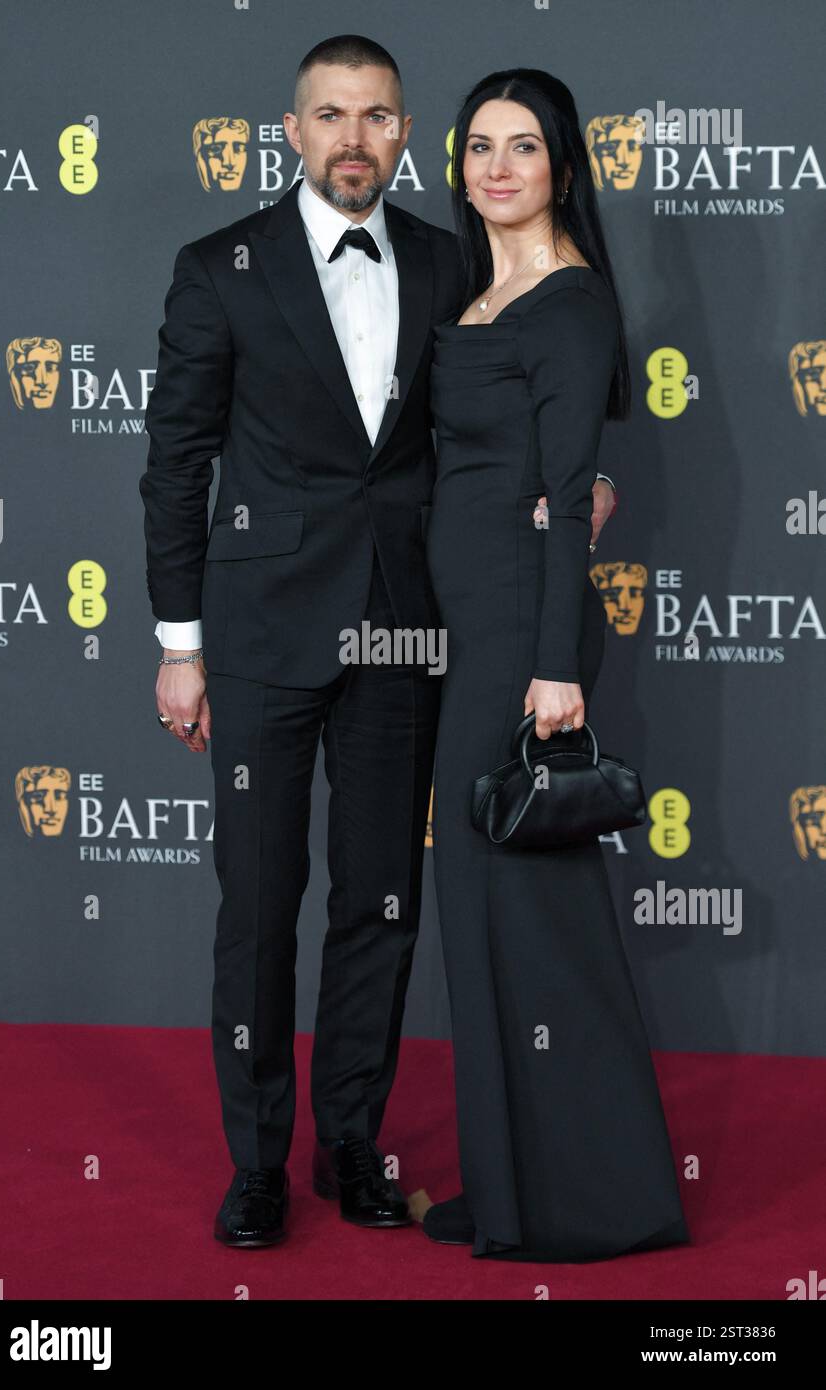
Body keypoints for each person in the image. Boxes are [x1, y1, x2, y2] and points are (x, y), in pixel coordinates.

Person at [140, 37, 617, 1249]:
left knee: (381, 901)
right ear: (292, 132)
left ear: (406, 136)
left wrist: (571, 497)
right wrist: (178, 642)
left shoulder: (454, 258)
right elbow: (176, 464)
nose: (354, 138)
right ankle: (256, 1162)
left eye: (378, 118)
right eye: (329, 116)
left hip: (407, 629)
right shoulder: (219, 268)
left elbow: (505, 419)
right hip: (254, 634)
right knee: (257, 904)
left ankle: (350, 1139)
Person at [422, 68, 690, 1260]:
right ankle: (514, 1186)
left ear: (561, 166)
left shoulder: (569, 304)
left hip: (521, 643)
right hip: (479, 629)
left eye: (520, 147)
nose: (495, 168)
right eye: (478, 145)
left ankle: (595, 1201)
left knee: (533, 911)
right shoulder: (486, 291)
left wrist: (551, 668)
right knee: (484, 909)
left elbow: (568, 492)